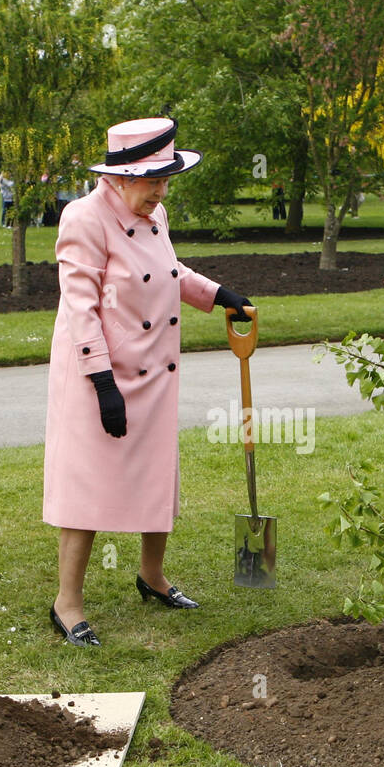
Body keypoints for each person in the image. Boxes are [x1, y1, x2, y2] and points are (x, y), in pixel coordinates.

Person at [44, 117, 253, 648]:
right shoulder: (84, 218)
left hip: (154, 369)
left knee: (157, 474)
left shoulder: (153, 213)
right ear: (118, 177)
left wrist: (217, 293)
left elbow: (169, 271)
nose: (161, 192)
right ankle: (67, 603)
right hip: (101, 371)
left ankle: (152, 577)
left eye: (166, 180)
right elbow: (81, 308)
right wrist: (101, 381)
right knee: (87, 485)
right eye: (151, 180)